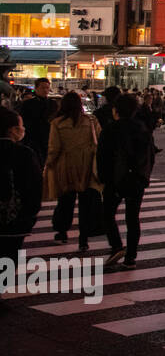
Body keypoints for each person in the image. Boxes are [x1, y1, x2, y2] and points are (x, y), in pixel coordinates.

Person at [45, 91, 112, 258]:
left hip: (66, 166)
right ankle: (83, 240)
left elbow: (54, 148)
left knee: (65, 201)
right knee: (85, 205)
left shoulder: (57, 123)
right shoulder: (91, 121)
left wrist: (48, 164)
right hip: (87, 166)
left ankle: (62, 231)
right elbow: (100, 141)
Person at [96, 93, 154, 268]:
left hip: (114, 179)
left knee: (107, 214)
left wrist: (103, 178)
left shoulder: (110, 129)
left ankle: (116, 246)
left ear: (116, 110)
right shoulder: (142, 129)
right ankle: (131, 257)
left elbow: (102, 157)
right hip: (137, 179)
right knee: (132, 217)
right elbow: (150, 156)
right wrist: (144, 177)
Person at [0, 108, 43, 287]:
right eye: (21, 126)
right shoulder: (24, 153)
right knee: (8, 258)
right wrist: (29, 216)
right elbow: (34, 188)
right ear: (12, 130)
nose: (23, 130)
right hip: (14, 220)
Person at [20, 76, 55, 167]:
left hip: (48, 139)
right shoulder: (28, 104)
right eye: (42, 87)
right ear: (36, 88)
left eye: (47, 88)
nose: (45, 90)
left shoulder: (53, 104)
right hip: (33, 139)